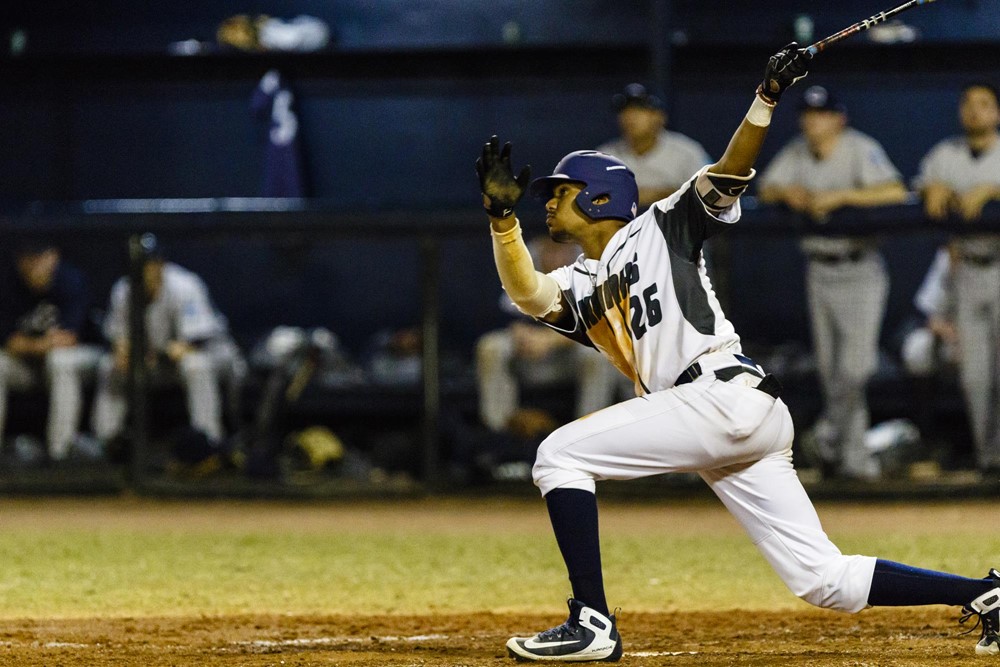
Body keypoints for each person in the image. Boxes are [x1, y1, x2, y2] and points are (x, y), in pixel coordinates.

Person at [474, 43, 999, 663]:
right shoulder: (584, 280)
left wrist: (766, 96)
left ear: (596, 198)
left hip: (717, 396)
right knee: (823, 580)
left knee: (558, 454)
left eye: (558, 192)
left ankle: (591, 623)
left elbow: (730, 169)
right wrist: (502, 222)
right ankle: (986, 594)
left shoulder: (662, 223)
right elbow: (530, 293)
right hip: (735, 412)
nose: (548, 201)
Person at [757, 84, 908, 481]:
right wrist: (785, 193)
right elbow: (766, 187)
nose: (812, 121)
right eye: (807, 113)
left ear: (839, 118)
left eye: (821, 114)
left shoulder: (860, 147)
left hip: (859, 266)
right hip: (819, 269)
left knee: (855, 370)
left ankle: (827, 435)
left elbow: (895, 192)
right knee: (830, 371)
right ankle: (853, 459)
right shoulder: (796, 151)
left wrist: (840, 197)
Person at [914, 82, 1000, 477]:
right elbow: (917, 185)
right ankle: (989, 461)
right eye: (967, 103)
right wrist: (933, 187)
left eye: (984, 104)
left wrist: (991, 190)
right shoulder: (945, 155)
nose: (974, 111)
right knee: (975, 375)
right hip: (966, 266)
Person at [91, 236, 245, 452]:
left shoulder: (184, 285)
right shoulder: (124, 289)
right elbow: (118, 339)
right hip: (159, 361)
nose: (146, 270)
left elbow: (192, 343)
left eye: (150, 263)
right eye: (140, 265)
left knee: (195, 365)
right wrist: (124, 353)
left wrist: (151, 355)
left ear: (160, 264)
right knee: (109, 367)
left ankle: (208, 442)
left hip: (213, 354)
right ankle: (106, 441)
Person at [476, 235, 628, 443]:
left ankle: (588, 438)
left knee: (599, 354)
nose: (556, 258)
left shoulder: (591, 262)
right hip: (528, 356)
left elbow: (604, 322)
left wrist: (551, 339)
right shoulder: (523, 259)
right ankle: (499, 434)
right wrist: (518, 331)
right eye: (550, 251)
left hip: (570, 357)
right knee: (491, 346)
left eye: (562, 251)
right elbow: (501, 313)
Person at [0, 241, 102, 461]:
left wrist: (28, 345)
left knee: (59, 360)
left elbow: (69, 339)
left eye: (40, 257)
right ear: (19, 261)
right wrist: (43, 344)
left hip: (82, 359)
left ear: (53, 257)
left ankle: (60, 451)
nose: (34, 264)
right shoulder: (8, 284)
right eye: (28, 258)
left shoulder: (70, 281)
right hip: (31, 364)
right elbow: (9, 342)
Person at [597, 83, 712, 207]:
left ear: (659, 117)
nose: (631, 117)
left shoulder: (688, 151)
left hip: (672, 223)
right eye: (625, 111)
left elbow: (708, 196)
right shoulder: (605, 155)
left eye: (640, 110)